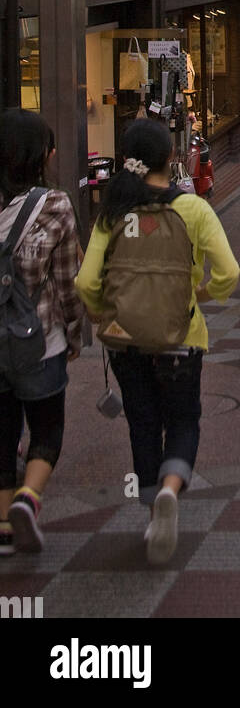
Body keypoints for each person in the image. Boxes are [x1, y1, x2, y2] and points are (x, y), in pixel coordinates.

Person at [77, 119, 240, 565]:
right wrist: (201, 294)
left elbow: (87, 280)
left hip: (125, 342)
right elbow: (229, 273)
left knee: (143, 423)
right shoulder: (193, 210)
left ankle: (153, 510)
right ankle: (172, 487)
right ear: (172, 157)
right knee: (184, 419)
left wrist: (99, 310)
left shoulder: (113, 211)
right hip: (181, 337)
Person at [0, 110, 84, 556]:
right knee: (47, 430)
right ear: (40, 156)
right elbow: (70, 281)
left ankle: (3, 529)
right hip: (40, 340)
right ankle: (28, 499)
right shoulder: (54, 205)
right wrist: (75, 333)